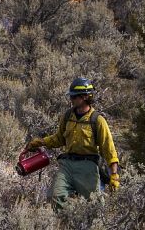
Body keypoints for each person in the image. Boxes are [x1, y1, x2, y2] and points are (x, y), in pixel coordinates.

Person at [25, 78, 120, 209]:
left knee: (94, 206)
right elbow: (59, 138)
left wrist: (114, 175)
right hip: (67, 165)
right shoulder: (68, 116)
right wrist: (41, 142)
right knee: (54, 196)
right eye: (71, 96)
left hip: (88, 167)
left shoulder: (97, 120)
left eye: (74, 96)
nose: (71, 99)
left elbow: (109, 149)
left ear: (86, 96)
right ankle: (67, 221)